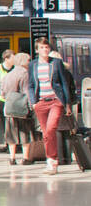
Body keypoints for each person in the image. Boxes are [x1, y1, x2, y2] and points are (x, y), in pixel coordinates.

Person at [27, 37, 72, 175]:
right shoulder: (33, 65)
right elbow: (30, 84)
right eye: (41, 48)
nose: (45, 50)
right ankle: (51, 161)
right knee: (46, 133)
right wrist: (33, 102)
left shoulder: (56, 63)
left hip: (55, 101)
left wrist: (67, 103)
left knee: (51, 129)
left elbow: (64, 83)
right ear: (37, 50)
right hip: (40, 102)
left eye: (46, 47)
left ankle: (52, 160)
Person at [1, 53, 37, 166]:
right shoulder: (24, 74)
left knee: (11, 133)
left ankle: (12, 158)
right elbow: (27, 91)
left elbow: (2, 94)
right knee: (25, 132)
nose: (29, 62)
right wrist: (32, 106)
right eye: (28, 60)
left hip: (9, 108)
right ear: (23, 61)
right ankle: (26, 158)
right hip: (21, 107)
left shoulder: (8, 75)